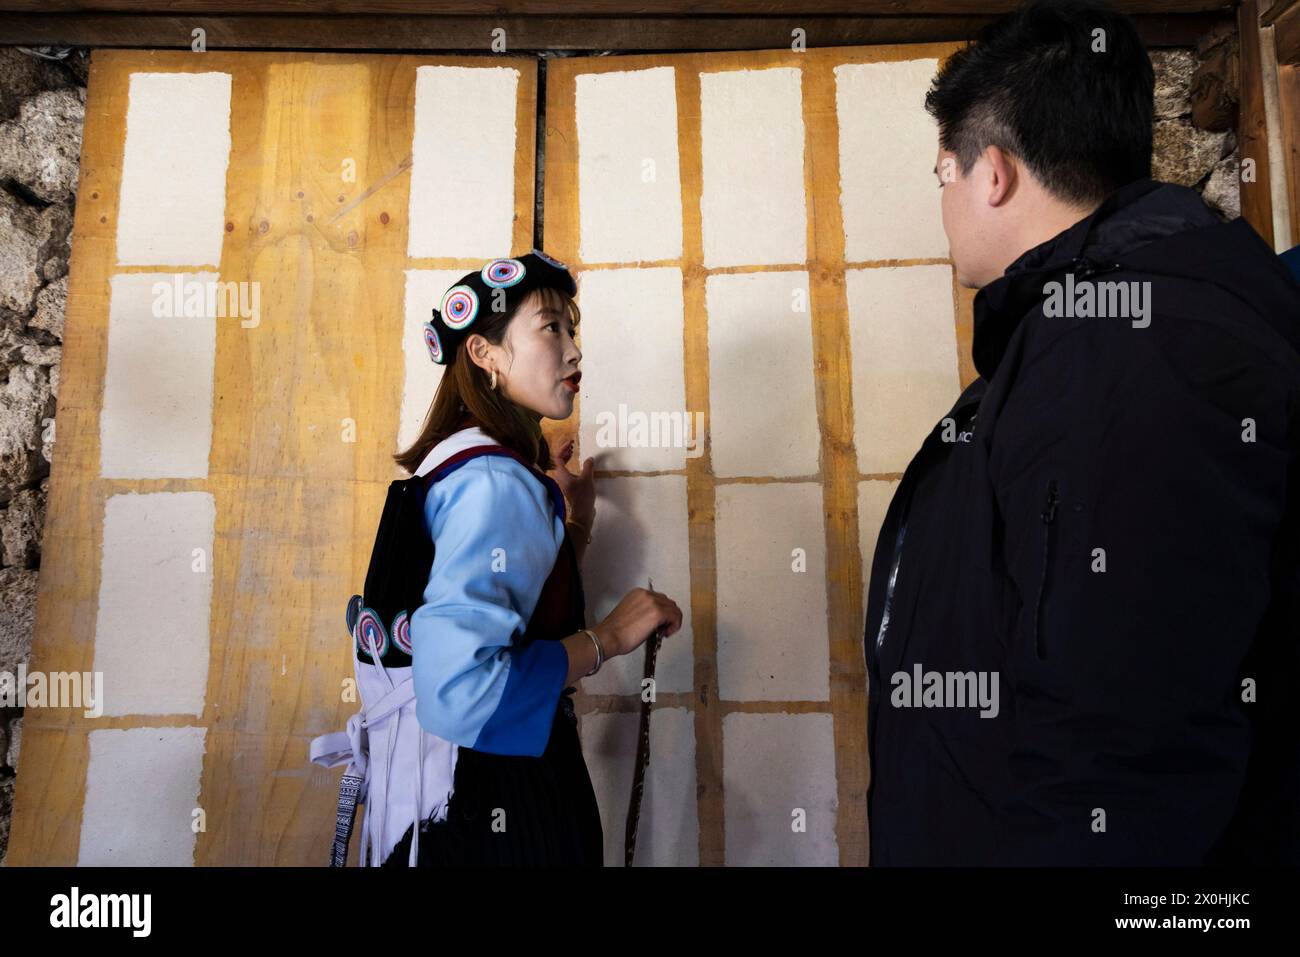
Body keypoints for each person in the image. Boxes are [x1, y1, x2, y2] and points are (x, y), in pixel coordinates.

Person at [864, 0, 1300, 865]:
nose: (944, 199)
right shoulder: (1076, 338)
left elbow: (1123, 744)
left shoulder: (1125, 348)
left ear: (992, 173)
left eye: (942, 171)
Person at [377, 250, 683, 866]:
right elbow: (464, 687)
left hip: (427, 795)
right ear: (484, 354)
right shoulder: (494, 480)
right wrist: (611, 637)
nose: (574, 352)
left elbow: (502, 610)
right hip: (497, 802)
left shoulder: (453, 464)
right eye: (551, 328)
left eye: (573, 330)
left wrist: (578, 524)